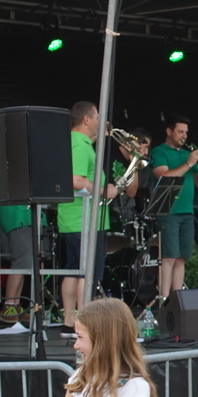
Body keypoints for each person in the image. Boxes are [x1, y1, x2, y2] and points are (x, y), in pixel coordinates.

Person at [56, 102, 116, 338]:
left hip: (73, 219)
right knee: (86, 272)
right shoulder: (79, 145)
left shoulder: (76, 143)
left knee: (74, 270)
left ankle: (70, 321)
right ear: (87, 119)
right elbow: (76, 180)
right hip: (85, 219)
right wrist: (103, 190)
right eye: (98, 117)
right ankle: (84, 325)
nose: (101, 121)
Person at [148, 116, 198, 304]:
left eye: (186, 133)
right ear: (169, 131)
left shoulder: (187, 154)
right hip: (168, 211)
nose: (184, 136)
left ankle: (177, 300)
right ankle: (164, 299)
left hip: (187, 211)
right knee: (169, 257)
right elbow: (163, 176)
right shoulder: (159, 151)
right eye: (180, 132)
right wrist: (190, 163)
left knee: (182, 257)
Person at [0, 175, 39, 324]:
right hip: (17, 214)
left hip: (27, 214)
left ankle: (16, 305)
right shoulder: (10, 165)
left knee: (27, 262)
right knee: (21, 262)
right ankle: (9, 307)